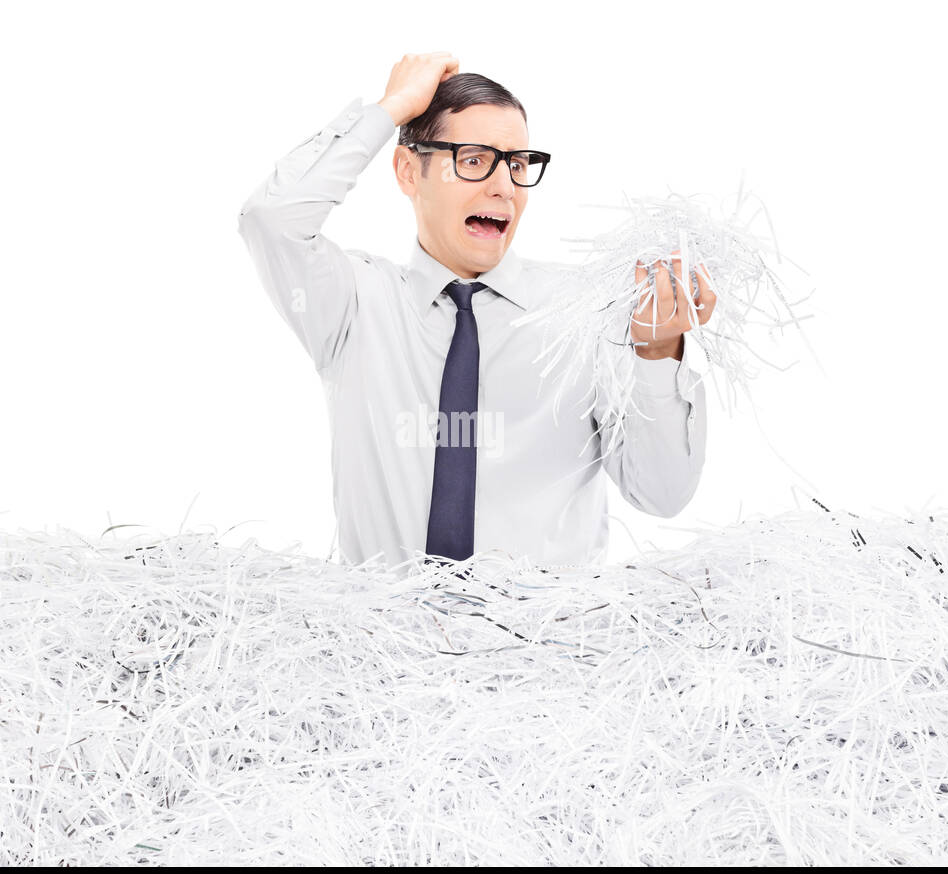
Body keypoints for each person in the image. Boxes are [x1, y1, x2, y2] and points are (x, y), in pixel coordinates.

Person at [238, 52, 713, 572]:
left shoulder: (587, 312)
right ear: (407, 171)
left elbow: (662, 494)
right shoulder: (355, 304)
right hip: (384, 646)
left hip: (552, 646)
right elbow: (271, 218)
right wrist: (389, 110)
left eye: (516, 164)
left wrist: (657, 351)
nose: (504, 187)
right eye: (472, 159)